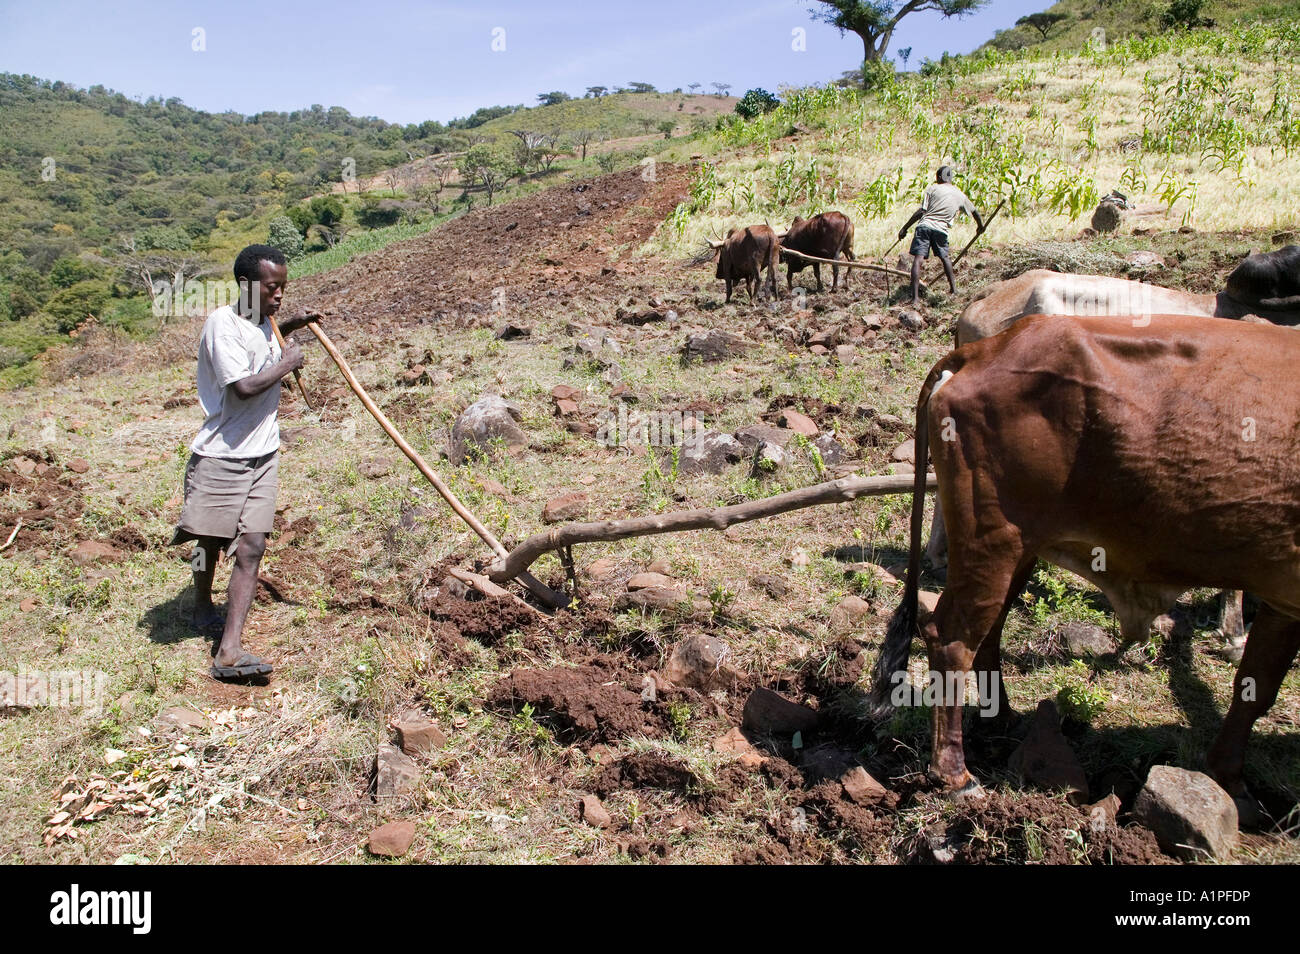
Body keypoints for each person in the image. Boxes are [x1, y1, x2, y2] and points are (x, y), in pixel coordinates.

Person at [169, 244, 319, 680]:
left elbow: (262, 343)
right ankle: (200, 602)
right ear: (248, 286)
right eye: (273, 288)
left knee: (252, 547)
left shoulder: (265, 323)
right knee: (206, 543)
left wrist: (292, 326)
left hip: (263, 454)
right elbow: (244, 388)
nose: (279, 297)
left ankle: (229, 649)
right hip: (221, 454)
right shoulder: (222, 323)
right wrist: (288, 361)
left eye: (283, 288)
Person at [897, 166, 984, 307]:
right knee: (945, 258)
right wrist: (980, 226)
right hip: (941, 230)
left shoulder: (932, 189)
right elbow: (975, 212)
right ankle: (954, 290)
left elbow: (921, 211)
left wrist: (905, 228)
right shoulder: (960, 195)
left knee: (918, 259)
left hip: (925, 226)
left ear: (938, 177)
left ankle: (915, 299)